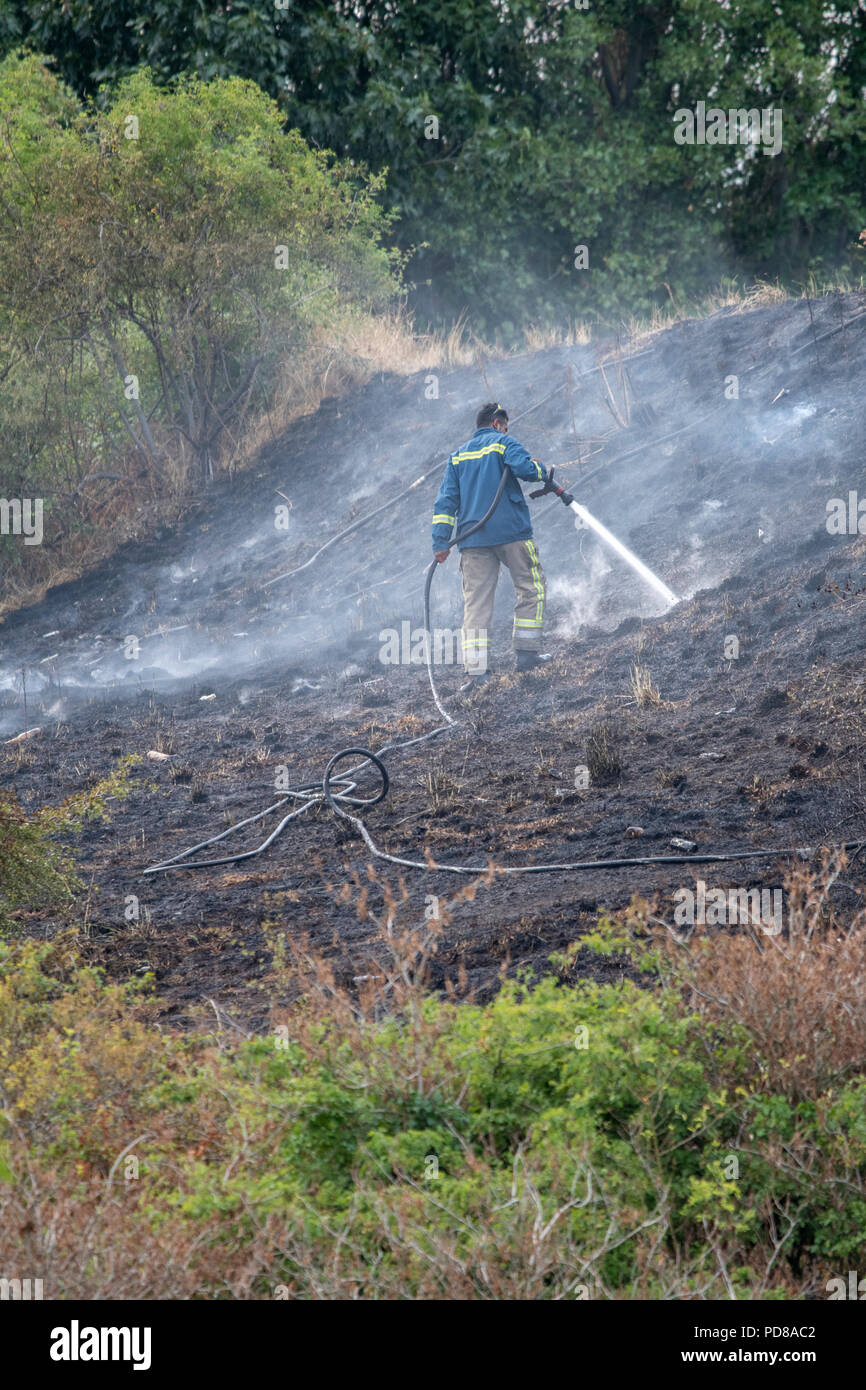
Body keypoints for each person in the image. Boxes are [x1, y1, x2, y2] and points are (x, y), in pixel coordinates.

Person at [431, 402, 553, 690]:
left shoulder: (457, 457)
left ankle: (476, 673)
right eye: (505, 426)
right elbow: (527, 470)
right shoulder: (503, 443)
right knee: (530, 587)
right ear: (498, 423)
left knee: (476, 604)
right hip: (511, 532)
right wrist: (542, 468)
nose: (506, 431)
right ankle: (526, 655)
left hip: (472, 540)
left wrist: (440, 542)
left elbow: (445, 503)